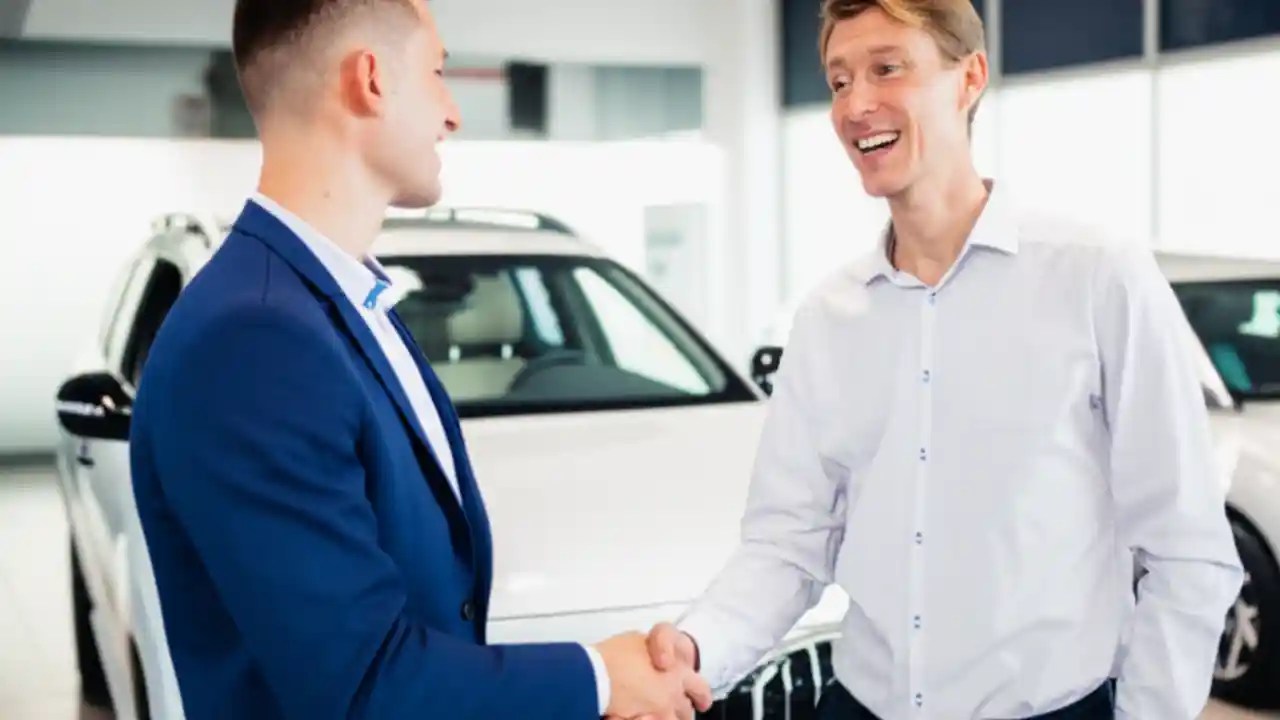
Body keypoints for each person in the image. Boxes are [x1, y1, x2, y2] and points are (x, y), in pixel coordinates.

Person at [644, 1, 1243, 718]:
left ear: (970, 78)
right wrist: (695, 647)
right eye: (838, 81)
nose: (855, 104)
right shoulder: (828, 318)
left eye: (886, 68)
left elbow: (1186, 547)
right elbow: (786, 545)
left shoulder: (1095, 276)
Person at [128, 1, 712, 718]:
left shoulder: (341, 304)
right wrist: (597, 679)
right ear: (370, 80)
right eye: (437, 74)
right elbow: (364, 685)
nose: (452, 113)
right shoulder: (254, 340)